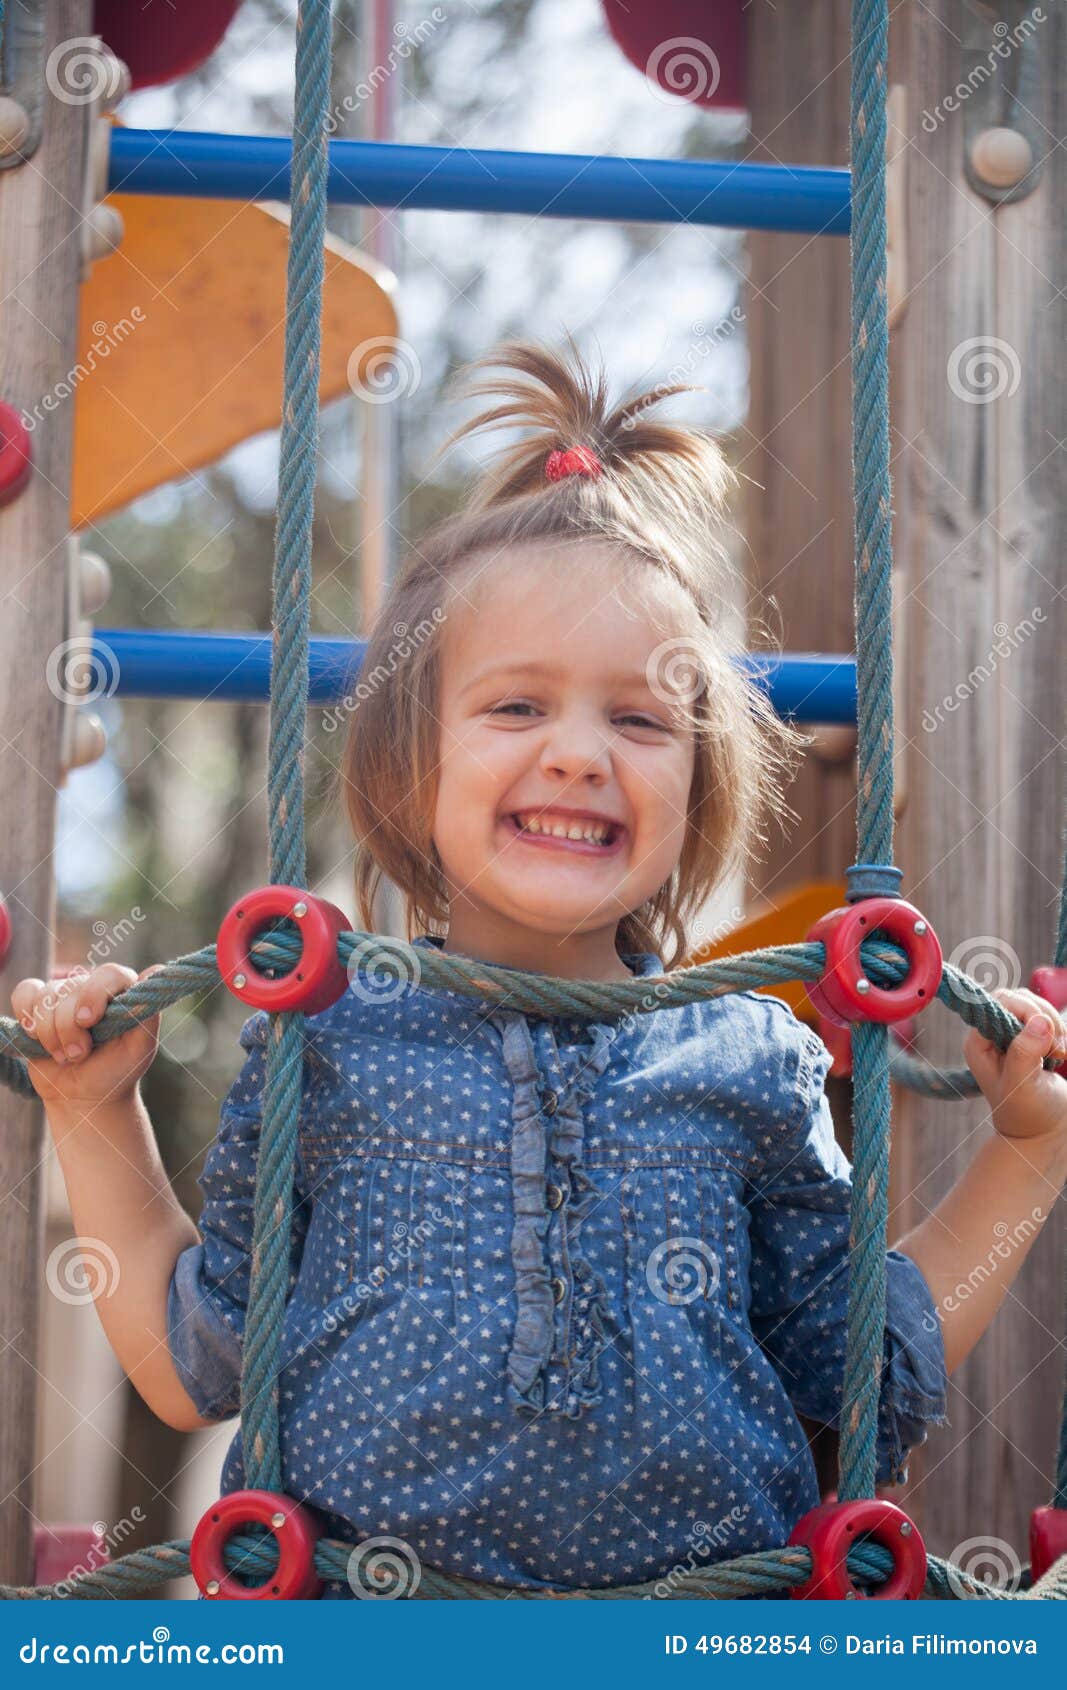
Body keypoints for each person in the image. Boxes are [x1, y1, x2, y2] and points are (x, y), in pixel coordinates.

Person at [14, 339, 1067, 1596]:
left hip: (691, 1640)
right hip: (375, 1635)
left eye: (638, 718)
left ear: (699, 781)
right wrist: (95, 1109)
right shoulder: (330, 1034)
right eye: (516, 706)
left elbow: (865, 1375)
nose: (577, 753)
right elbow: (195, 1361)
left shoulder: (745, 1055)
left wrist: (1023, 1154)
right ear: (411, 763)